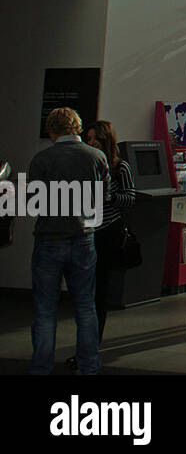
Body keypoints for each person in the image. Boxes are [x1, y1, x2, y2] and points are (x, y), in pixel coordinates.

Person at [28, 108, 109, 375]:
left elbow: (33, 203)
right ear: (77, 127)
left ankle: (41, 367)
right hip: (83, 239)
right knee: (85, 307)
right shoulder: (97, 157)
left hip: (49, 240)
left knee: (44, 310)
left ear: (51, 131)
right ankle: (89, 366)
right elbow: (103, 197)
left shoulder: (42, 159)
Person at [83, 120, 134, 354]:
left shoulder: (119, 167)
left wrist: (108, 197)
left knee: (99, 292)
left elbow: (130, 198)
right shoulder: (85, 164)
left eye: (95, 139)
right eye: (88, 138)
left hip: (107, 232)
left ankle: (92, 345)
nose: (90, 142)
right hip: (86, 229)